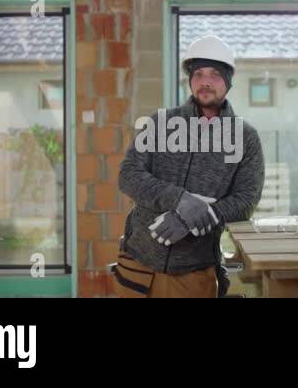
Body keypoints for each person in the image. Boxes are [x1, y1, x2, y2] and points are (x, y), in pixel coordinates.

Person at [113, 35, 265, 298]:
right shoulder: (161, 123)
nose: (205, 81)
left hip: (194, 273)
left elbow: (246, 200)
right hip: (138, 265)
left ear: (228, 82)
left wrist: (198, 217)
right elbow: (128, 175)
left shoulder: (245, 137)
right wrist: (180, 200)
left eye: (215, 74)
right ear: (191, 80)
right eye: (198, 74)